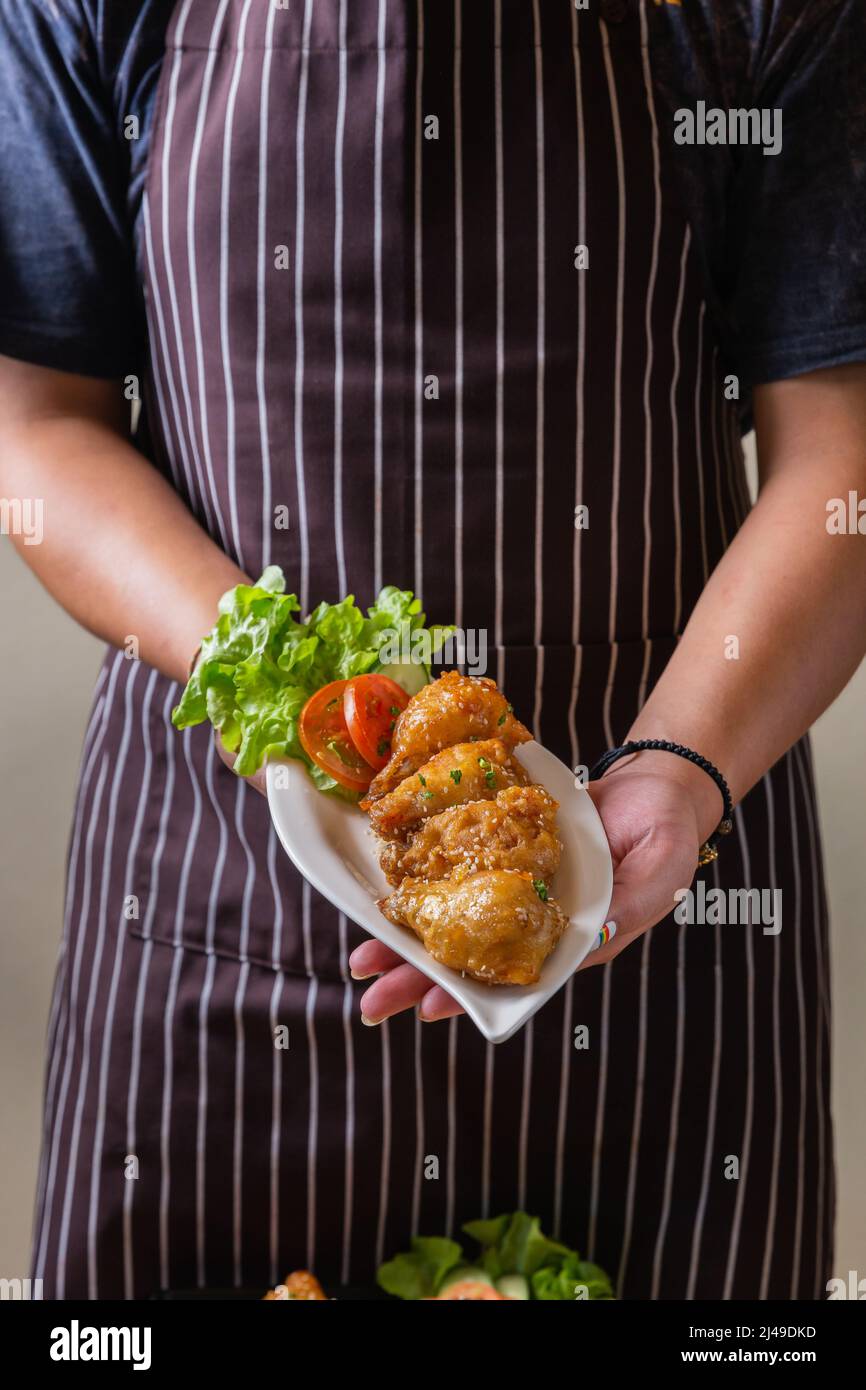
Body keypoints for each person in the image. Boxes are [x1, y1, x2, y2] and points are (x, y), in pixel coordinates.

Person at [1, 0, 864, 1301]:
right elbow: (35, 423)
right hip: (209, 909)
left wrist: (679, 768)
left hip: (658, 909)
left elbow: (840, 454)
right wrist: (299, 694)